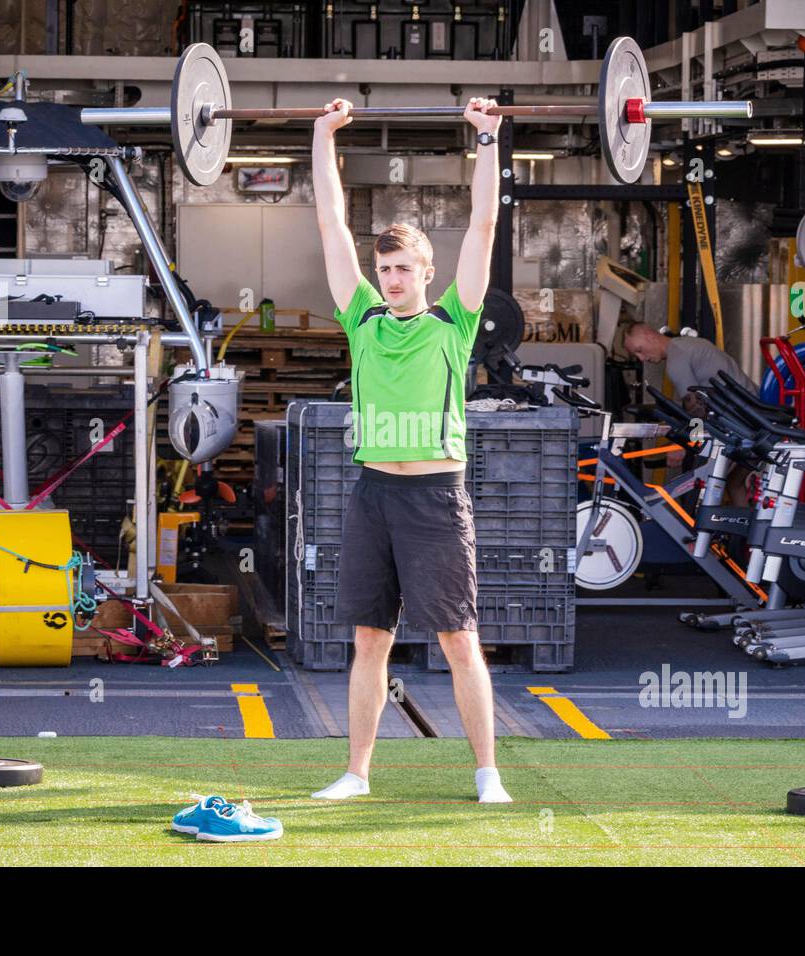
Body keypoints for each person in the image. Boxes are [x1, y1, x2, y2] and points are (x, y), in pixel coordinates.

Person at [310, 94, 511, 804]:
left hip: (434, 498)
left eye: (402, 269)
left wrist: (486, 139)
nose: (391, 279)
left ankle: (487, 773)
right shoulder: (360, 319)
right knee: (369, 640)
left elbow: (484, 223)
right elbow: (330, 221)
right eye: (384, 268)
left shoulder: (454, 323)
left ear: (426, 273)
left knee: (458, 639)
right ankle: (357, 773)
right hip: (373, 496)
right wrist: (322, 134)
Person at [623, 322, 758, 505]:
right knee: (734, 483)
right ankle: (744, 532)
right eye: (635, 355)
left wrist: (683, 444)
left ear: (649, 335)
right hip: (755, 417)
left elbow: (695, 407)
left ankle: (705, 530)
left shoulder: (676, 357)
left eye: (639, 350)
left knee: (707, 483)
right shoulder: (687, 346)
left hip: (743, 422)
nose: (641, 358)